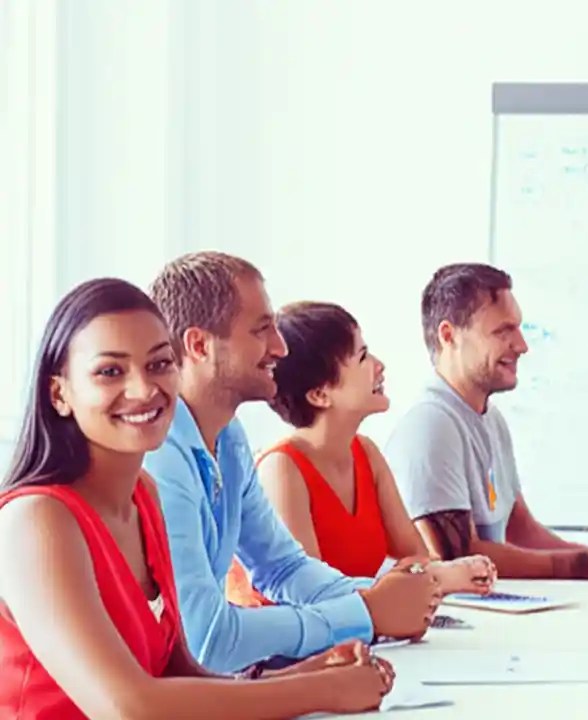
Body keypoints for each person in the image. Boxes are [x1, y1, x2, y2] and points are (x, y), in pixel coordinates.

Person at [0, 278, 392, 718]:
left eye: (159, 364)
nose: (144, 389)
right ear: (60, 394)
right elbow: (129, 707)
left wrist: (309, 674)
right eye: (111, 371)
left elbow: (175, 672)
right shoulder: (36, 520)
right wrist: (324, 693)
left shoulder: (144, 497)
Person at [142, 251, 440, 675]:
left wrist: (384, 598)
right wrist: (365, 613)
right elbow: (207, 639)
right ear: (199, 345)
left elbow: (282, 566)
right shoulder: (161, 455)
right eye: (262, 330)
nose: (280, 348)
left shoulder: (228, 438)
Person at [384, 263, 588, 580]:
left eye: (517, 328)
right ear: (449, 336)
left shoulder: (490, 418)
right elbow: (459, 558)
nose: (522, 345)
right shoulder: (430, 425)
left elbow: (520, 530)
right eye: (503, 331)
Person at [225, 300, 497, 607]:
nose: (379, 366)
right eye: (363, 357)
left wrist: (436, 574)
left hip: (353, 634)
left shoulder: (365, 452)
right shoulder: (281, 469)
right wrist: (433, 578)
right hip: (289, 650)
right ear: (319, 394)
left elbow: (418, 557)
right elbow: (309, 596)